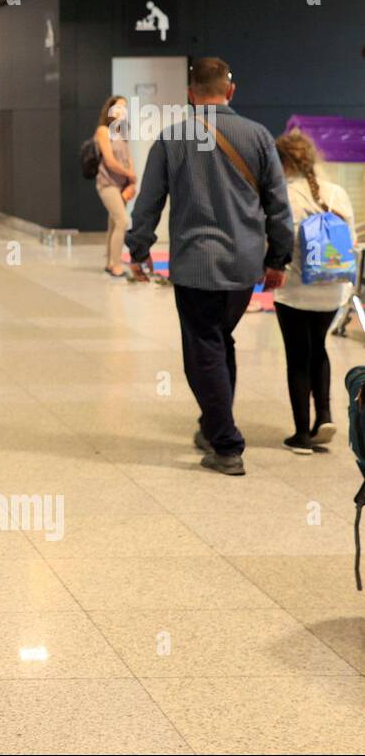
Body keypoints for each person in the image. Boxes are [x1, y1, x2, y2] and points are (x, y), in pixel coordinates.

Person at [126, 57, 293, 476]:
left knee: (201, 352)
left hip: (197, 265)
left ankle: (226, 445)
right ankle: (211, 424)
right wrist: (278, 258)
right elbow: (279, 206)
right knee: (220, 342)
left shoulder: (172, 137)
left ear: (189, 93)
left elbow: (149, 202)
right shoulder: (257, 137)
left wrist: (139, 248)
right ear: (229, 91)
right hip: (243, 266)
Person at [271, 130, 356, 454]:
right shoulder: (336, 193)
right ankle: (325, 416)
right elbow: (347, 238)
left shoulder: (286, 195)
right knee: (318, 348)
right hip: (332, 290)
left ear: (283, 162)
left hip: (295, 290)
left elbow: (281, 244)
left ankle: (301, 434)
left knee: (297, 356)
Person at [94, 96, 137, 279]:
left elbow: (129, 159)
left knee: (113, 223)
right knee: (122, 222)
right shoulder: (103, 131)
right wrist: (129, 174)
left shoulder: (123, 132)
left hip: (122, 186)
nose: (122, 111)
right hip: (107, 184)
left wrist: (132, 181)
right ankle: (117, 265)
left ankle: (110, 263)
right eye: (118, 107)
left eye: (125, 108)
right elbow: (110, 161)